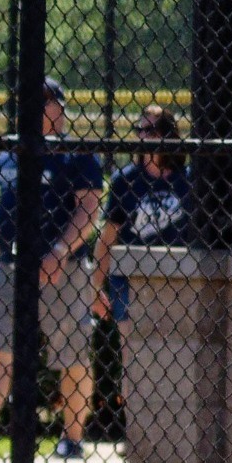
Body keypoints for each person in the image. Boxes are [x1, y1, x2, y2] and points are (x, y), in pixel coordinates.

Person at [0, 77, 104, 461]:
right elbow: (1, 206)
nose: (33, 107)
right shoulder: (12, 152)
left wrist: (59, 250)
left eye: (43, 100)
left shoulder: (78, 153)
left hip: (63, 268)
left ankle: (72, 439)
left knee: (71, 355)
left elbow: (89, 209)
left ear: (61, 107)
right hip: (12, 265)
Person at [90, 106, 189, 365]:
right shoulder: (126, 180)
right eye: (140, 130)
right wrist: (94, 287)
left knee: (176, 357)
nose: (145, 136)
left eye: (152, 130)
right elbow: (108, 237)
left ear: (169, 135)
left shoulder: (188, 181)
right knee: (133, 357)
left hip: (176, 275)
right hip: (131, 276)